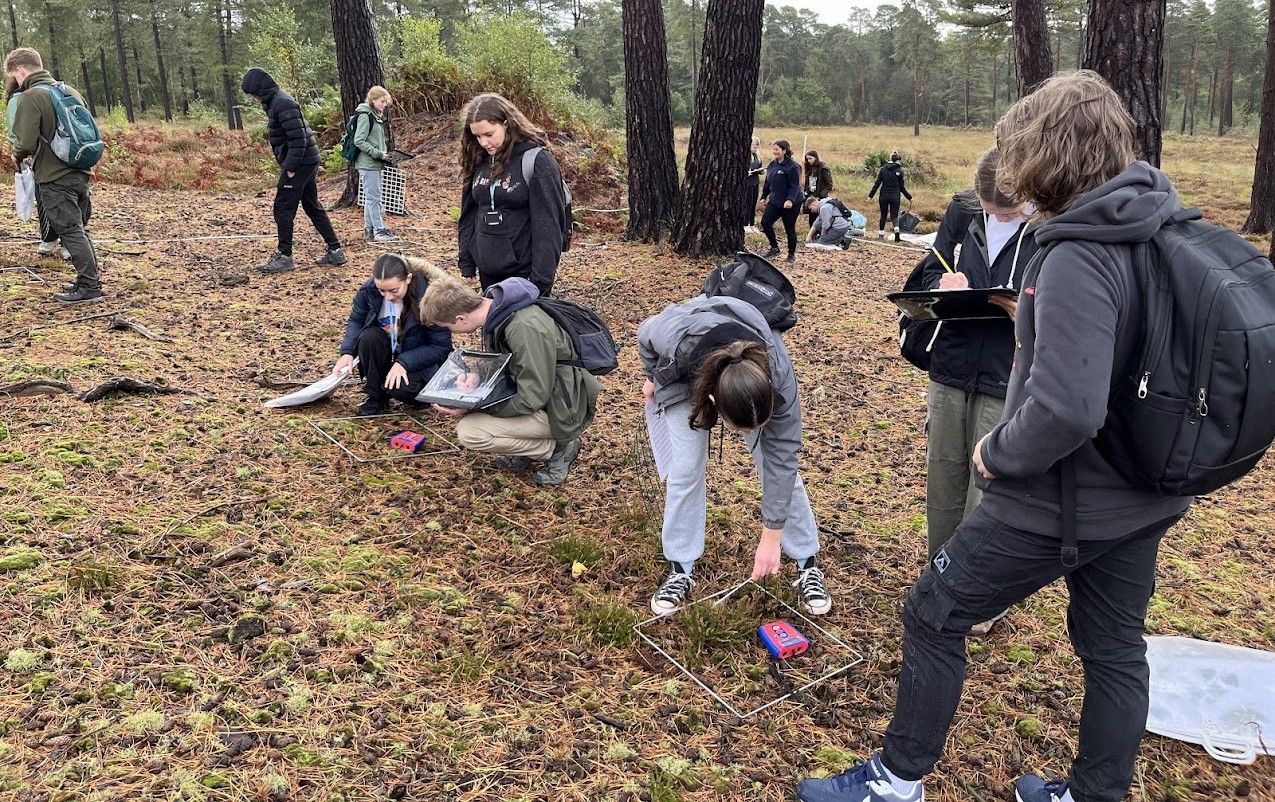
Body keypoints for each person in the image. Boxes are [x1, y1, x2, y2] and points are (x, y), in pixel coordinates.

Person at [795, 70, 1196, 802]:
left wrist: (998, 452)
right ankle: (1091, 793)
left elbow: (1068, 409)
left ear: (1046, 150)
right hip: (1144, 488)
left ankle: (894, 783)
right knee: (1114, 651)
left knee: (933, 611)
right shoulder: (1157, 224)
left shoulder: (1077, 249)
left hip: (1066, 495)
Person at [638, 292, 830, 617]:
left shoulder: (779, 378)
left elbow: (782, 460)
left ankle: (806, 561)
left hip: (747, 368)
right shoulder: (674, 337)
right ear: (713, 402)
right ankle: (680, 567)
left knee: (777, 466)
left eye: (761, 424)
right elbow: (646, 333)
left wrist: (772, 537)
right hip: (686, 372)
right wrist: (651, 377)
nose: (754, 435)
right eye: (743, 428)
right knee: (685, 470)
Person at [919, 146, 1039, 637]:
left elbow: (1065, 305)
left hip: (1005, 374)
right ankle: (940, 575)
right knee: (944, 474)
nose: (997, 218)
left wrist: (1025, 312)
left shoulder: (1051, 226)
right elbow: (925, 274)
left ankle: (981, 594)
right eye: (990, 211)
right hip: (951, 366)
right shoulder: (961, 211)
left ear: (1030, 198)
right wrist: (942, 283)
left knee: (986, 485)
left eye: (1007, 213)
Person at [419, 276, 599, 485]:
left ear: (460, 319)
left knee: (471, 432)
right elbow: (511, 364)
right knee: (473, 424)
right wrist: (480, 375)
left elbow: (533, 396)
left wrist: (475, 407)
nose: (451, 332)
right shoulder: (497, 313)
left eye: (447, 327)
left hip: (564, 407)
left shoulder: (523, 327)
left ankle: (559, 448)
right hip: (550, 397)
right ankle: (533, 446)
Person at [6, 47, 101, 303]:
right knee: (79, 228)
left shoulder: (30, 96)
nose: (15, 81)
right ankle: (88, 281)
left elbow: (24, 142)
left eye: (14, 76)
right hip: (81, 169)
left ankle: (90, 288)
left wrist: (17, 155)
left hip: (54, 174)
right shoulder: (69, 91)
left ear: (21, 70)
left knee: (70, 230)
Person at [457, 92, 569, 297]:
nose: (483, 142)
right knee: (496, 327)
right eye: (477, 136)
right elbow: (469, 213)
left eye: (489, 134)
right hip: (488, 267)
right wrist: (467, 259)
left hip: (524, 272)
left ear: (507, 124)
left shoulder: (536, 160)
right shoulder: (478, 159)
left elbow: (549, 225)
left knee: (523, 328)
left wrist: (540, 281)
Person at [241, 67, 346, 274]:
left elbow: (298, 138)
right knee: (312, 205)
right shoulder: (275, 102)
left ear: (259, 89)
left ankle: (285, 256)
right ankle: (335, 251)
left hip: (300, 163)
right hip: (304, 162)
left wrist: (290, 168)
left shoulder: (282, 103)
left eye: (253, 93)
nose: (253, 98)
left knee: (283, 207)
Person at [333, 254, 452, 417]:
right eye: (382, 290)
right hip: (387, 352)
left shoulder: (430, 298)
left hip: (419, 362)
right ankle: (376, 397)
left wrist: (404, 362)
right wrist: (347, 352)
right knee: (369, 337)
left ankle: (421, 396)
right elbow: (356, 321)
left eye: (394, 290)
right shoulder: (368, 291)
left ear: (408, 279)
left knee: (400, 388)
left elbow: (440, 346)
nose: (388, 296)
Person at [5, 74, 65, 261]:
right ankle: (55, 239)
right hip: (50, 154)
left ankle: (55, 239)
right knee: (52, 197)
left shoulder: (31, 96)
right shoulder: (27, 97)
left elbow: (18, 133)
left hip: (45, 155)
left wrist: (20, 152)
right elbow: (19, 130)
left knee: (47, 196)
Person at [351, 85, 400, 243]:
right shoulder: (366, 115)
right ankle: (380, 231)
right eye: (382, 101)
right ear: (372, 100)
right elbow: (359, 140)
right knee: (374, 198)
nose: (384, 105)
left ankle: (370, 230)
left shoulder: (375, 115)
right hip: (368, 163)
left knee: (370, 198)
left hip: (374, 163)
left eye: (386, 102)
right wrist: (378, 154)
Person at [759, 140, 803, 264]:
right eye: (773, 149)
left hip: (791, 202)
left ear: (784, 151)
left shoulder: (793, 167)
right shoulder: (772, 164)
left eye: (777, 149)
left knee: (789, 228)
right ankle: (774, 248)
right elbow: (768, 181)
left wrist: (790, 200)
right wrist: (764, 196)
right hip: (775, 200)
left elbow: (795, 185)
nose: (775, 152)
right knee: (765, 222)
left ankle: (791, 254)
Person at [869, 151, 912, 242]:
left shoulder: (883, 169)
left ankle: (881, 235)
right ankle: (896, 231)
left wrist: (871, 196)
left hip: (884, 195)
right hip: (895, 196)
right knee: (894, 216)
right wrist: (909, 197)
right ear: (898, 161)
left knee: (883, 215)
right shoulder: (899, 171)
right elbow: (902, 187)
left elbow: (877, 183)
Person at [802, 150, 833, 229]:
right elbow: (807, 183)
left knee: (820, 218)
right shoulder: (809, 168)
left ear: (815, 158)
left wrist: (820, 196)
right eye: (807, 159)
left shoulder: (823, 169)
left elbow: (829, 184)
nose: (808, 161)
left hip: (820, 197)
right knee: (811, 219)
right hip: (810, 195)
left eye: (810, 159)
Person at [744, 136, 764, 233]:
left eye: (757, 147)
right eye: (754, 146)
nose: (755, 149)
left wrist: (761, 171)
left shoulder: (757, 157)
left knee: (753, 204)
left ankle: (752, 224)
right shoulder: (746, 156)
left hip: (755, 182)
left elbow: (759, 167)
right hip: (748, 183)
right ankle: (745, 223)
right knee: (748, 203)